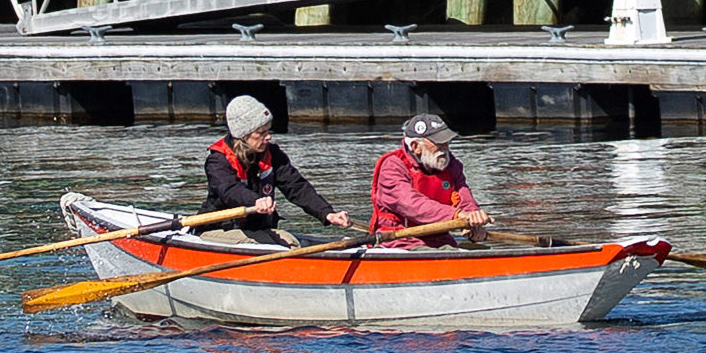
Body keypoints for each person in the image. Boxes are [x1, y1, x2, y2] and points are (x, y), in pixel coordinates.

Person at [194, 95, 352, 247]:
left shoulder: (272, 155)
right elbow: (229, 190)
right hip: (217, 229)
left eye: (268, 131)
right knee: (256, 245)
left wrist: (327, 213)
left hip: (257, 228)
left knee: (291, 243)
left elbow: (296, 187)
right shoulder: (218, 161)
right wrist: (255, 201)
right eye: (261, 133)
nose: (268, 137)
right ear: (243, 135)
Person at [368, 113, 491, 250]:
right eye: (438, 143)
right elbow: (412, 204)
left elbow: (463, 196)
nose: (445, 147)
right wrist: (456, 215)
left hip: (440, 240)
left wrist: (473, 219)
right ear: (416, 147)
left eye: (447, 142)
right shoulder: (392, 166)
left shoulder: (451, 165)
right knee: (449, 253)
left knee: (482, 249)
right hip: (400, 240)